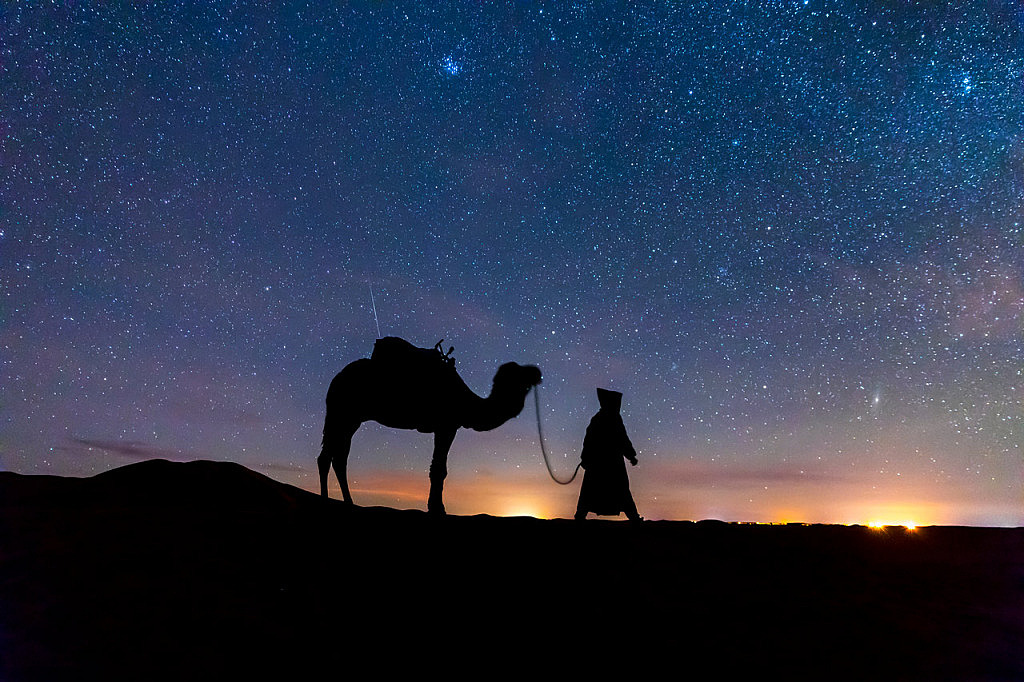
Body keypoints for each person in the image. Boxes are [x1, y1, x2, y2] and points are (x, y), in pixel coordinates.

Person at [574, 388, 642, 522]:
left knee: (590, 490)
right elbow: (622, 438)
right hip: (612, 463)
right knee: (621, 490)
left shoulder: (597, 419)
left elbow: (588, 440)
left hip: (596, 464)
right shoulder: (614, 418)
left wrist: (585, 458)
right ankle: (634, 519)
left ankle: (580, 517)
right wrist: (631, 456)